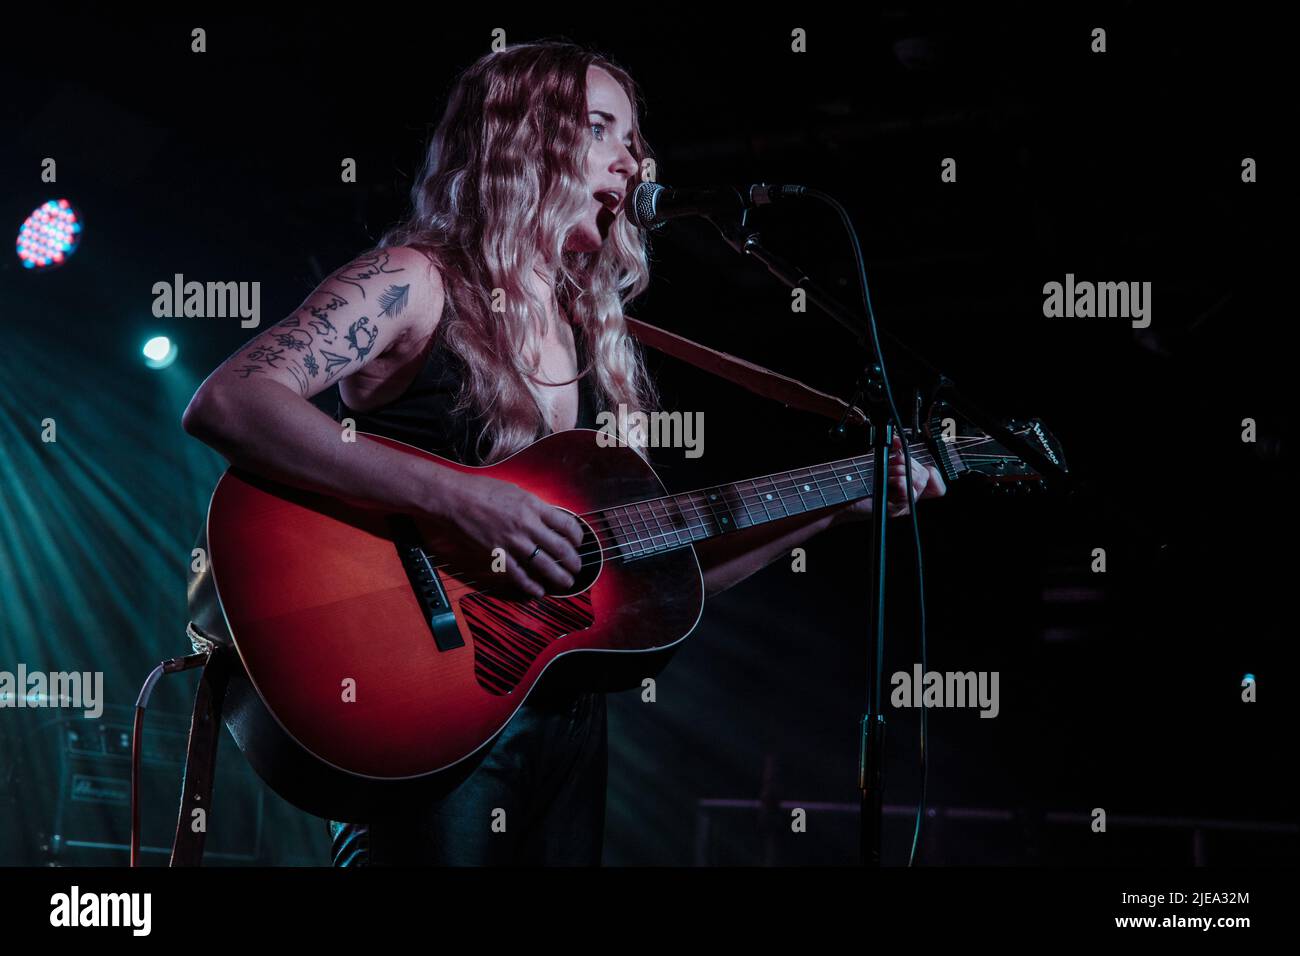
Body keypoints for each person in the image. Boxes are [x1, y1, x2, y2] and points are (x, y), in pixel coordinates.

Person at [180, 40, 946, 866]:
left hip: (562, 726)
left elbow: (643, 576)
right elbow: (231, 400)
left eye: (634, 137)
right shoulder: (415, 280)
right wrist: (464, 500)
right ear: (519, 142)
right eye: (600, 128)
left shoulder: (594, 336)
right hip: (421, 709)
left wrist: (835, 502)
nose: (633, 159)